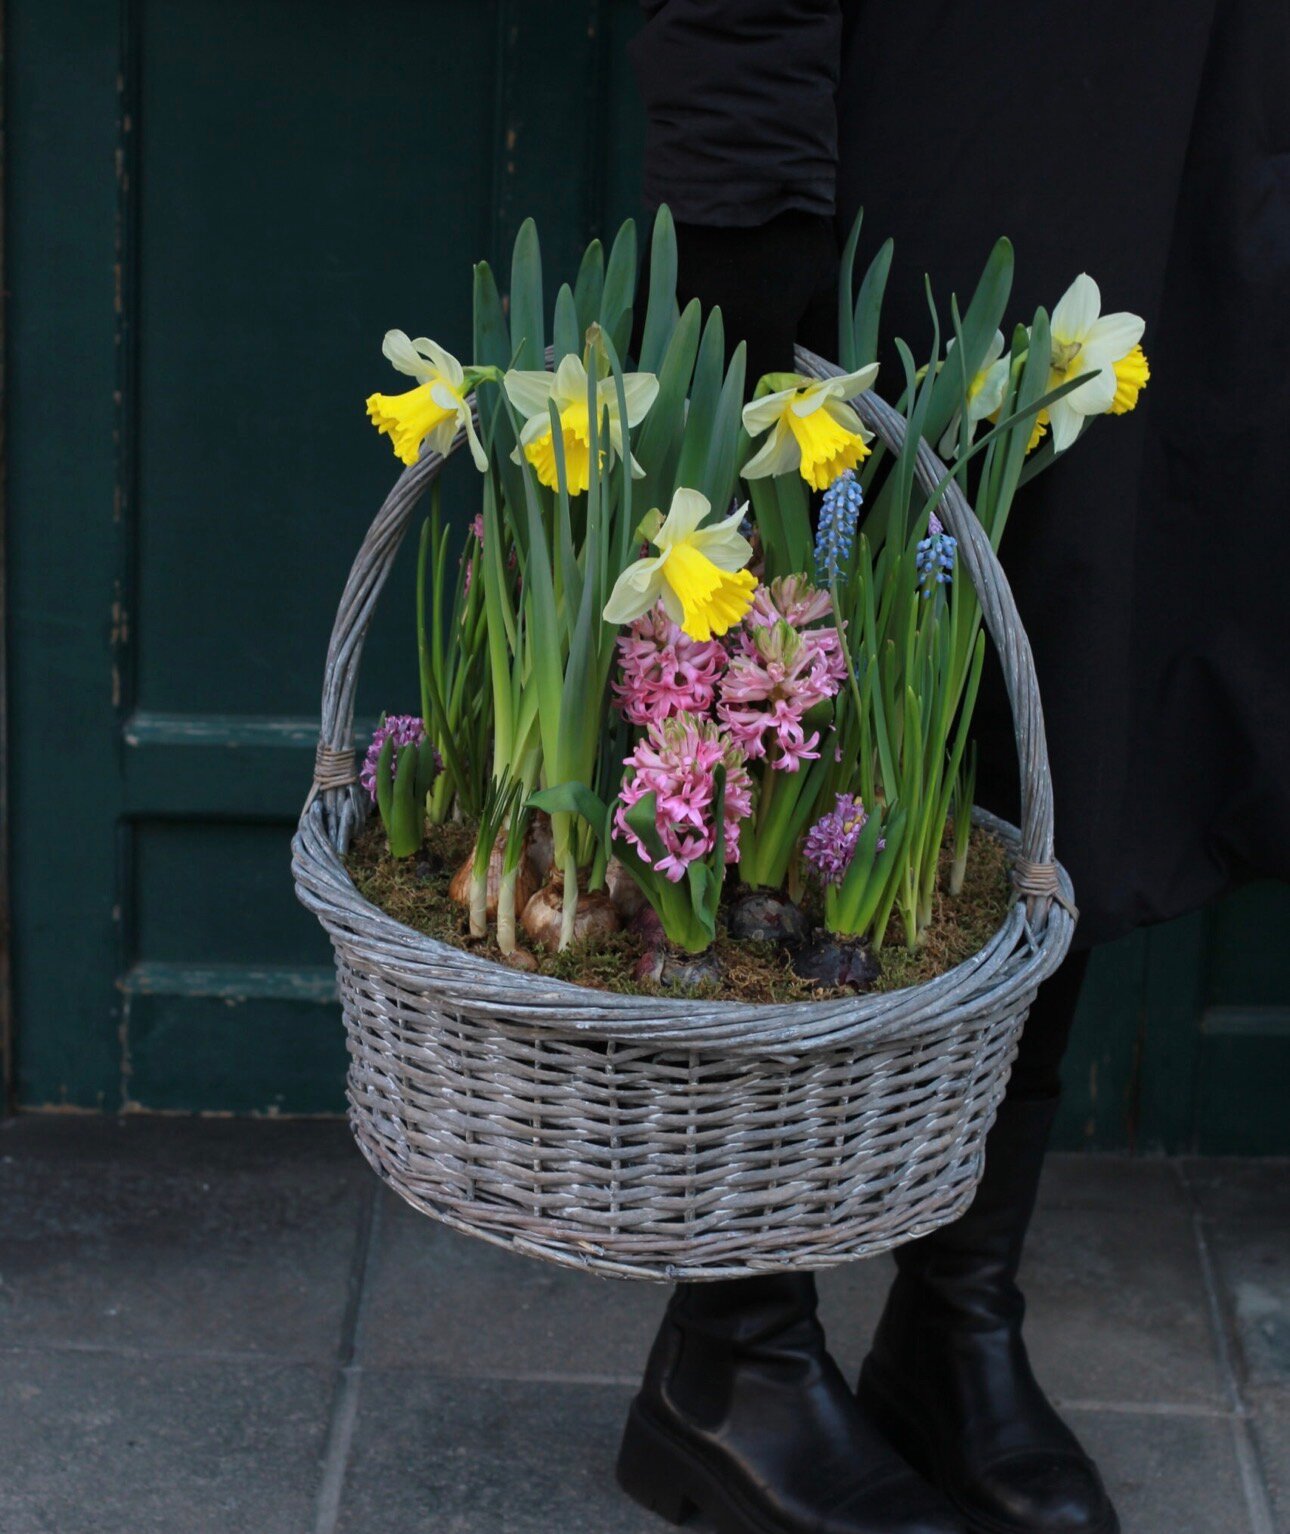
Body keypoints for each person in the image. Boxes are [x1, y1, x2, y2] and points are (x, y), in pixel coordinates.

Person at [617, 4, 1290, 1533]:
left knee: (1063, 747)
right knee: (796, 729)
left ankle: (953, 1320)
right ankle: (731, 1355)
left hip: (1186, 144)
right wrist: (746, 190)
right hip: (925, 139)